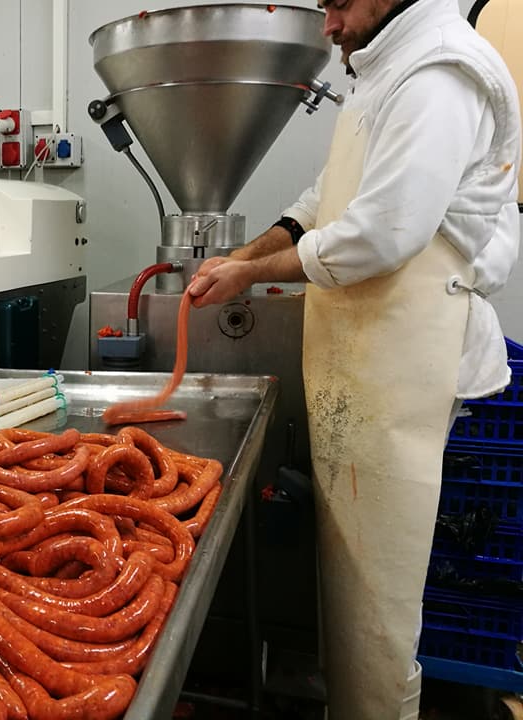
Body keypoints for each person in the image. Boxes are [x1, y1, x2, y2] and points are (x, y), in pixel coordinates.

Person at [187, 0, 521, 718]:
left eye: (337, 4)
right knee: (352, 580)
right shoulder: (383, 69)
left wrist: (249, 277)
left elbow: (381, 234)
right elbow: (323, 200)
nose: (327, 26)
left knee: (379, 599)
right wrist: (240, 256)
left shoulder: (440, 71)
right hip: (360, 365)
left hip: (406, 364)